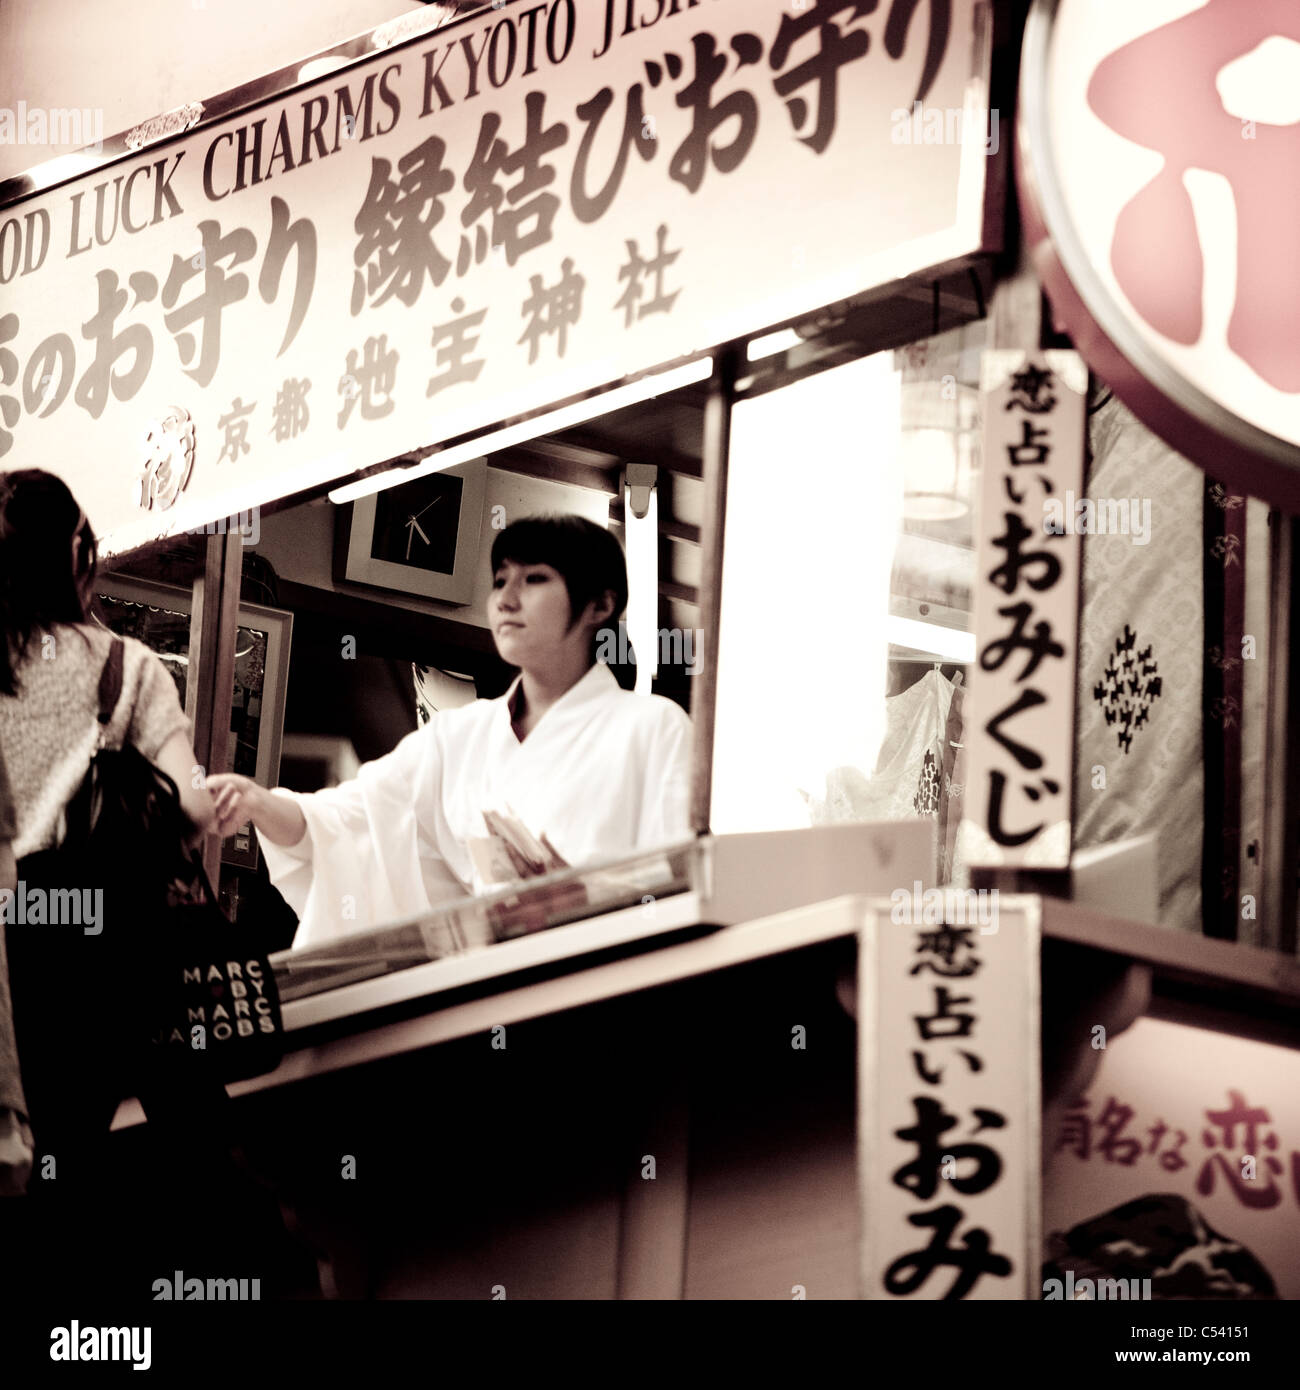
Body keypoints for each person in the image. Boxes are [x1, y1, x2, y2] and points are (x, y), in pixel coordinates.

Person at [208, 514, 693, 949]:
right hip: (484, 987)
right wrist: (259, 803)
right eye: (501, 580)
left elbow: (681, 879)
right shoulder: (459, 737)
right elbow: (350, 822)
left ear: (600, 605)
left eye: (535, 579)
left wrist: (581, 895)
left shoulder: (653, 727)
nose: (506, 599)